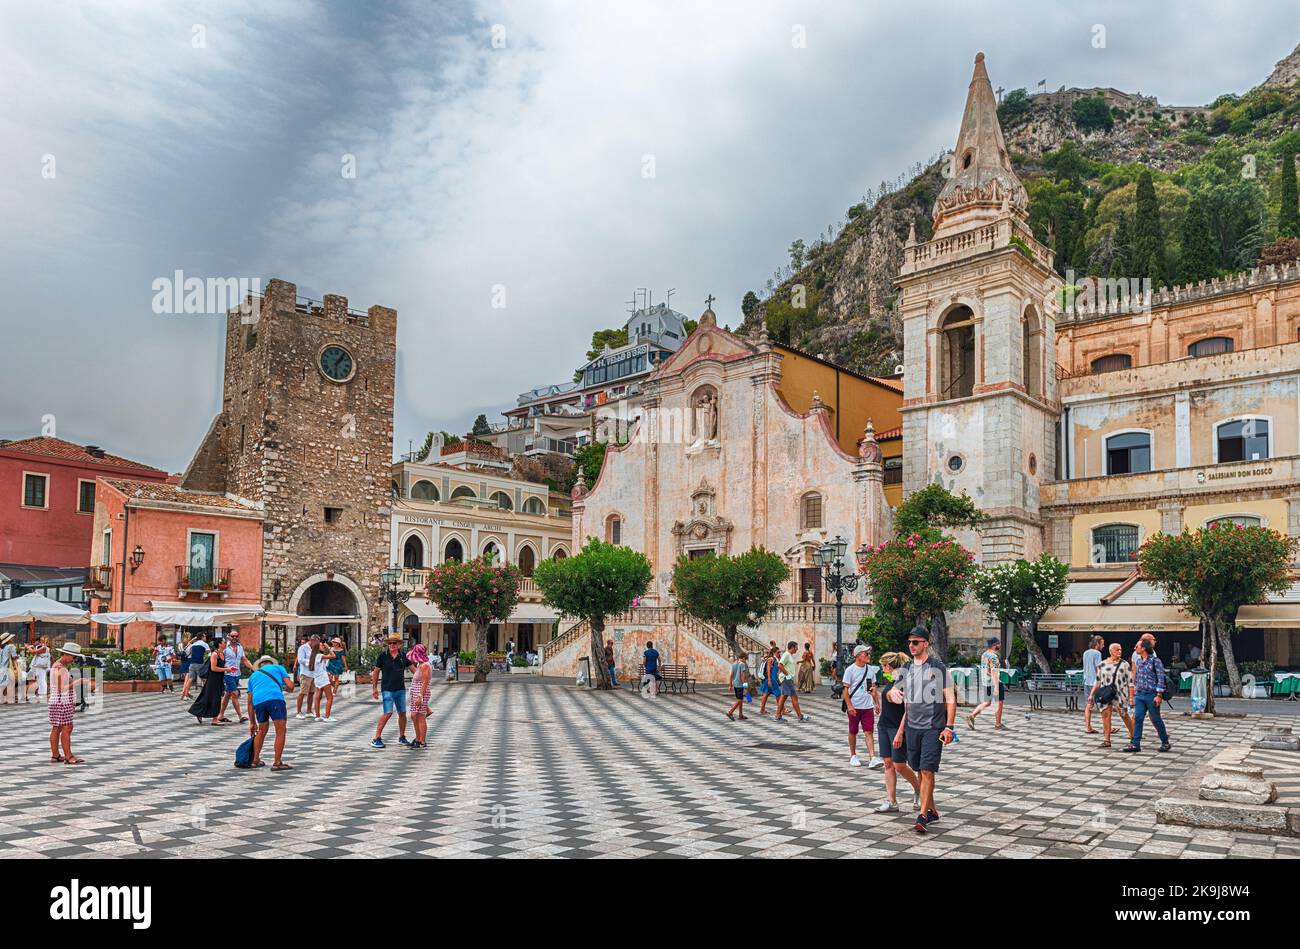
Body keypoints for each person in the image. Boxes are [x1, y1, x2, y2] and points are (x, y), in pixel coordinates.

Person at [886, 626, 956, 834]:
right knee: (919, 769)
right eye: (909, 642)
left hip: (933, 728)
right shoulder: (906, 668)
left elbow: (951, 699)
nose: (911, 646)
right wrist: (892, 695)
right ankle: (932, 810)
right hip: (912, 727)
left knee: (927, 770)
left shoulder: (938, 667)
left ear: (926, 643)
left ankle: (922, 816)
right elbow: (892, 691)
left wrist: (949, 727)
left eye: (916, 642)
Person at [872, 651, 920, 813]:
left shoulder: (903, 681)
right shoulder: (892, 680)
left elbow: (908, 710)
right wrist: (876, 697)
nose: (882, 669)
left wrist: (900, 732)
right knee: (888, 764)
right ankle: (891, 801)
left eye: (882, 665)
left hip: (897, 727)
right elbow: (890, 701)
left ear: (888, 665)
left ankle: (919, 788)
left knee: (899, 765)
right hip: (884, 725)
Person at [246, 655, 295, 770]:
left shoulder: (253, 676)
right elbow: (290, 686)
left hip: (258, 702)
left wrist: (252, 723)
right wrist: (285, 688)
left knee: (261, 730)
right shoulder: (278, 668)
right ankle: (277, 762)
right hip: (275, 700)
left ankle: (255, 760)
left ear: (260, 665)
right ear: (271, 663)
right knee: (280, 730)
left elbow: (249, 702)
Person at [1125, 637, 1172, 753]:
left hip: (1152, 694)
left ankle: (1165, 742)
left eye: (1137, 646)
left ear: (1144, 648)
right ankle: (1135, 744)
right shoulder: (1139, 661)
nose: (1135, 648)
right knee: (1138, 718)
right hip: (1140, 694)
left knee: (1156, 719)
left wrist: (1159, 695)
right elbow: (1137, 677)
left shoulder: (1155, 661)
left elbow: (1160, 678)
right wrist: (1133, 691)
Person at [1087, 642, 1134, 748]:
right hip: (1106, 693)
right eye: (1117, 650)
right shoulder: (1102, 664)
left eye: (1120, 650)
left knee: (1124, 715)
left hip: (1120, 694)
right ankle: (1107, 740)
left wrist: (1131, 697)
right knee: (1105, 716)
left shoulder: (1124, 664)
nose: (1119, 652)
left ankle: (1133, 736)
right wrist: (1091, 695)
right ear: (1110, 651)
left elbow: (1131, 682)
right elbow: (1098, 681)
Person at [842, 645, 882, 768]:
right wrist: (849, 706)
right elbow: (845, 690)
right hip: (855, 706)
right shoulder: (850, 670)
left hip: (867, 706)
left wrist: (877, 703)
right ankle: (853, 755)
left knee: (869, 731)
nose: (869, 656)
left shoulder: (870, 670)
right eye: (866, 654)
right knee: (853, 731)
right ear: (859, 655)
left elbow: (873, 688)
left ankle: (872, 757)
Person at [371, 634, 412, 748]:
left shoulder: (403, 656)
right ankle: (376, 738)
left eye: (394, 643)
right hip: (387, 689)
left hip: (400, 689)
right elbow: (376, 672)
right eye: (390, 643)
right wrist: (374, 688)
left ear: (399, 644)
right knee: (388, 713)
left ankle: (402, 737)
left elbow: (414, 670)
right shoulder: (383, 656)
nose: (392, 645)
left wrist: (424, 675)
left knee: (402, 713)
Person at [48, 643, 84, 764]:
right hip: (62, 701)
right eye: (73, 657)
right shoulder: (61, 668)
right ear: (66, 654)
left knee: (56, 727)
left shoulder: (56, 665)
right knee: (67, 728)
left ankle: (55, 755)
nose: (74, 660)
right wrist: (78, 682)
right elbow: (61, 688)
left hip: (56, 701)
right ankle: (69, 756)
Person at [188, 633, 231, 725]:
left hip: (219, 678)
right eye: (224, 642)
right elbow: (213, 668)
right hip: (213, 679)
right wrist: (226, 669)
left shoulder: (222, 654)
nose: (226, 643)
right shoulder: (215, 654)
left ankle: (199, 712)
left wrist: (228, 669)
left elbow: (220, 666)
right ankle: (214, 719)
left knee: (208, 697)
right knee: (214, 698)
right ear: (219, 644)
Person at [967, 637, 1007, 730]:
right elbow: (994, 671)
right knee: (999, 703)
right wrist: (997, 686)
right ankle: (998, 724)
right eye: (998, 644)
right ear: (994, 645)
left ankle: (972, 715)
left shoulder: (984, 655)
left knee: (987, 702)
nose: (999, 645)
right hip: (994, 682)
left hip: (986, 682)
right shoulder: (994, 656)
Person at [215, 631, 251, 723]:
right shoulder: (225, 647)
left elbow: (244, 659)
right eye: (232, 636)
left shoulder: (240, 647)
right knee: (234, 693)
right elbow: (220, 659)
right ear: (229, 637)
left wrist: (253, 668)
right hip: (228, 674)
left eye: (236, 636)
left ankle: (221, 715)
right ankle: (240, 716)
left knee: (227, 694)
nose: (234, 637)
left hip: (237, 674)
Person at [774, 641, 809, 723]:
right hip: (786, 679)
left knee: (783, 697)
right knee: (794, 697)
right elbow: (780, 665)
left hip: (787, 679)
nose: (797, 649)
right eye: (796, 648)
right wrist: (787, 674)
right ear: (792, 647)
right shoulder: (786, 655)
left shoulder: (788, 655)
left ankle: (778, 715)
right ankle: (800, 716)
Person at [406, 643, 432, 749]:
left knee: (420, 716)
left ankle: (422, 740)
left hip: (421, 692)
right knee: (414, 716)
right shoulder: (420, 664)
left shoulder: (425, 665)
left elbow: (425, 682)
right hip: (416, 692)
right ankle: (418, 738)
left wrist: (420, 695)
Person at [1081, 635, 1104, 734]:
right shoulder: (1097, 653)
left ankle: (1088, 727)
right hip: (1095, 682)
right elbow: (1098, 668)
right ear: (1097, 644)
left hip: (1086, 681)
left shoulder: (1086, 652)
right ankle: (1108, 727)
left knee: (1088, 704)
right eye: (1102, 644)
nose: (1103, 646)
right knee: (1104, 705)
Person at [310, 639, 336, 721]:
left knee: (318, 697)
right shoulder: (320, 656)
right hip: (323, 678)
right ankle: (327, 716)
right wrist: (329, 647)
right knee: (330, 697)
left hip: (317, 677)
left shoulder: (313, 656)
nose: (323, 647)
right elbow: (333, 656)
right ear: (318, 648)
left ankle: (317, 716)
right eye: (321, 646)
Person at [295, 634, 318, 719]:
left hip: (313, 673)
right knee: (303, 692)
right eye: (316, 642)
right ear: (312, 641)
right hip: (305, 673)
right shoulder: (303, 648)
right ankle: (299, 712)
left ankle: (309, 711)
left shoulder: (315, 648)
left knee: (311, 692)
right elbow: (300, 659)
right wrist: (311, 661)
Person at [180, 631, 208, 700]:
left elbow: (189, 648)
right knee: (205, 679)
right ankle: (205, 695)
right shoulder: (204, 644)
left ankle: (185, 695)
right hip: (200, 664)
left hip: (192, 664)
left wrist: (193, 639)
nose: (205, 637)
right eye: (204, 636)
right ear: (202, 637)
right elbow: (209, 653)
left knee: (190, 679)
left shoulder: (193, 644)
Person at [725, 652, 749, 721]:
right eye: (746, 659)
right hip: (740, 684)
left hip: (735, 684)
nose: (745, 661)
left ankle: (740, 715)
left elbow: (731, 675)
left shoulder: (734, 664)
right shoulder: (742, 664)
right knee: (739, 700)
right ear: (743, 658)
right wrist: (745, 686)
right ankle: (730, 712)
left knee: (740, 699)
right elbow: (742, 676)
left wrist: (730, 685)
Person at [27, 637, 51, 702]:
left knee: (42, 680)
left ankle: (43, 695)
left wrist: (28, 647)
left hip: (41, 667)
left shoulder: (44, 648)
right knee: (40, 680)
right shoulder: (44, 647)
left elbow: (33, 652)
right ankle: (41, 694)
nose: (41, 641)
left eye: (42, 640)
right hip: (40, 666)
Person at [757, 646, 779, 715]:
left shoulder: (775, 659)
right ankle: (782, 710)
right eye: (778, 652)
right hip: (770, 680)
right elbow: (768, 670)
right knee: (778, 694)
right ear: (773, 653)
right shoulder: (770, 659)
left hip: (772, 679)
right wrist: (769, 680)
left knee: (766, 694)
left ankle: (762, 710)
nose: (779, 653)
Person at [0, 633, 17, 705]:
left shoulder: (3, 647)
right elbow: (14, 657)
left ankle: (4, 698)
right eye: (11, 638)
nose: (12, 639)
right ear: (8, 640)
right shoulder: (11, 646)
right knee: (5, 683)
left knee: (4, 683)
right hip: (6, 667)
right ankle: (3, 699)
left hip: (1, 667)